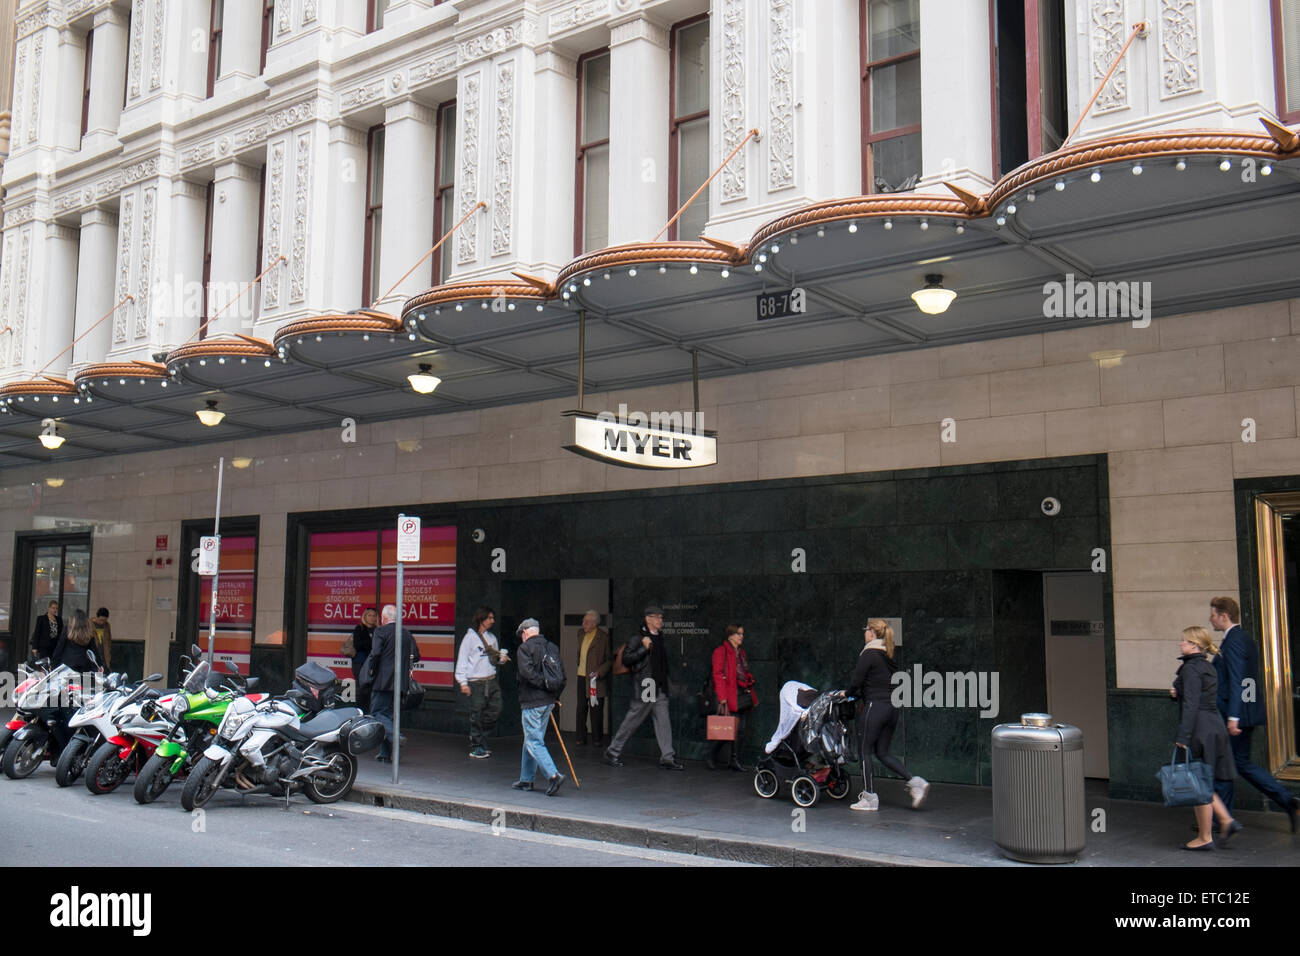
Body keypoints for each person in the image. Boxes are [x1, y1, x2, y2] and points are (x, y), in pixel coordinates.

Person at [1208, 596, 1300, 829]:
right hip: (1242, 712)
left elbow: (1239, 679)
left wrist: (1234, 716)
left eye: (1213, 614)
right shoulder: (1242, 639)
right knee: (1238, 762)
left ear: (1224, 616)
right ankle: (1287, 802)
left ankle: (1224, 819)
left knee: (1227, 764)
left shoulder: (1235, 641)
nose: (1211, 619)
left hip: (1235, 714)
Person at [845, 618, 928, 811]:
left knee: (865, 751)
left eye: (865, 630)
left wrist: (846, 694)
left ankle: (869, 798)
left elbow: (856, 682)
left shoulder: (869, 653)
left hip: (875, 707)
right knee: (882, 753)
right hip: (891, 709)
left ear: (872, 633)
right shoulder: (888, 655)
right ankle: (916, 782)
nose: (864, 633)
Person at [1172, 626, 1240, 850]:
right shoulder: (1207, 666)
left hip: (1199, 728)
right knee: (1202, 781)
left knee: (1197, 782)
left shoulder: (1191, 668)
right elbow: (1200, 696)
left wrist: (1183, 735)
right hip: (1214, 725)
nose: (1180, 644)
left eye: (1184, 641)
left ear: (1194, 645)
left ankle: (1205, 836)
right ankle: (1226, 820)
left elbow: (1191, 703)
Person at [604, 605, 683, 770]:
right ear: (649, 619)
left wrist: (667, 683)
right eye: (658, 617)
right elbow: (626, 659)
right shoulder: (638, 638)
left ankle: (667, 757)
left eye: (661, 617)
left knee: (664, 722)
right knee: (633, 719)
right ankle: (613, 751)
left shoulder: (659, 637)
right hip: (647, 685)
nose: (661, 620)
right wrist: (644, 648)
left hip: (659, 686)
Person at [511, 618, 565, 796]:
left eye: (522, 635)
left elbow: (526, 674)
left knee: (534, 741)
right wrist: (553, 694)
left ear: (525, 632)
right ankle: (526, 779)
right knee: (531, 739)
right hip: (548, 701)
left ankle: (553, 775)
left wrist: (541, 685)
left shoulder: (525, 648)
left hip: (532, 701)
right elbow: (561, 675)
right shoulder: (552, 647)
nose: (522, 638)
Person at [367, 604, 420, 763]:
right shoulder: (406, 633)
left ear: (383, 618)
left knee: (377, 714)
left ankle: (396, 737)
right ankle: (385, 753)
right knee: (389, 716)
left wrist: (371, 671)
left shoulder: (380, 631)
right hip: (401, 682)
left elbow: (375, 654)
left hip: (383, 681)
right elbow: (416, 656)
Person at [454, 606, 508, 759]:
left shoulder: (492, 638)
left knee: (495, 710)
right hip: (476, 682)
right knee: (476, 714)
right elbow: (462, 660)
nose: (492, 621)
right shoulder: (469, 638)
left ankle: (479, 739)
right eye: (489, 618)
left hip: (490, 680)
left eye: (493, 618)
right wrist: (463, 682)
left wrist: (501, 659)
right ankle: (476, 745)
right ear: (481, 619)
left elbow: (495, 659)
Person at [708, 623, 756, 771]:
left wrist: (749, 681)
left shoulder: (741, 653)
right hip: (729, 696)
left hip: (742, 694)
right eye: (738, 634)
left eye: (742, 634)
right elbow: (717, 675)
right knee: (728, 729)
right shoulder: (721, 651)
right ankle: (711, 755)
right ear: (730, 635)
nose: (741, 637)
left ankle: (734, 760)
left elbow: (744, 671)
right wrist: (722, 698)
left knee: (740, 730)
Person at [574, 610, 611, 746]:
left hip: (595, 679)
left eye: (587, 622)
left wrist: (599, 672)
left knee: (596, 708)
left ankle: (597, 738)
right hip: (581, 676)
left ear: (594, 624)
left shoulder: (603, 638)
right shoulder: (580, 634)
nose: (583, 624)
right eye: (583, 621)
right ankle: (580, 737)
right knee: (581, 707)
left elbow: (609, 660)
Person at [52, 609, 106, 675]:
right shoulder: (88, 632)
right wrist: (100, 665)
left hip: (67, 668)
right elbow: (94, 651)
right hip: (85, 668)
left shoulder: (67, 630)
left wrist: (53, 666)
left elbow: (59, 650)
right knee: (86, 685)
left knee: (68, 685)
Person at [348, 607, 377, 709]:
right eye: (369, 615)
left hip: (373, 663)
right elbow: (358, 645)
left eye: (374, 616)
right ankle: (360, 711)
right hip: (360, 663)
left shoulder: (378, 630)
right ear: (365, 617)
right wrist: (370, 643)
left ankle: (369, 710)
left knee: (371, 689)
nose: (372, 618)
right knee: (361, 688)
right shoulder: (359, 628)